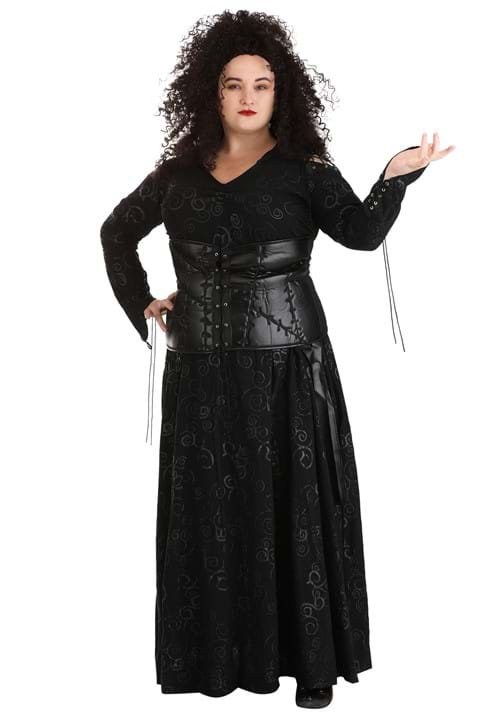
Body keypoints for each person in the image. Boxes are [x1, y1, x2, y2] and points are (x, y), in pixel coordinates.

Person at [99, 10, 454, 708]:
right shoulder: (177, 176)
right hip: (200, 374)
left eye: (261, 84)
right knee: (212, 512)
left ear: (280, 92)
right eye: (233, 85)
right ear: (211, 92)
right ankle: (216, 666)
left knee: (296, 511)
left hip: (290, 371)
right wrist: (142, 303)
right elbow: (115, 233)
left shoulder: (304, 171)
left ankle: (312, 669)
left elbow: (360, 233)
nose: (248, 97)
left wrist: (394, 177)